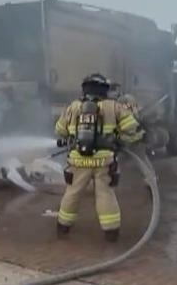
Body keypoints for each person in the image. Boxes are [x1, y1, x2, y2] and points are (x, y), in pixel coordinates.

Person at [55, 73, 143, 241]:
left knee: (72, 193)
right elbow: (132, 128)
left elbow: (60, 130)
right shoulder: (114, 106)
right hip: (104, 160)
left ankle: (63, 227)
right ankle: (111, 232)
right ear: (104, 90)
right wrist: (119, 139)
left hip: (78, 160)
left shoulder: (73, 107)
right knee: (105, 194)